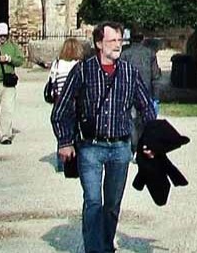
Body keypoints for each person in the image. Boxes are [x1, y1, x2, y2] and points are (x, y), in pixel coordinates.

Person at [51, 21, 158, 253]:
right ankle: (94, 249)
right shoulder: (83, 71)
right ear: (99, 43)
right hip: (91, 147)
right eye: (112, 41)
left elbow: (146, 108)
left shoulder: (129, 73)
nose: (117, 45)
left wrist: (151, 141)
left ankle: (106, 245)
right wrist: (65, 141)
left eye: (120, 41)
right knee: (93, 202)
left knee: (111, 205)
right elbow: (62, 108)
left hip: (120, 148)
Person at [120, 31, 163, 148]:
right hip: (147, 91)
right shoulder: (150, 53)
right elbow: (155, 76)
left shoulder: (125, 54)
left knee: (133, 120)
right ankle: (143, 145)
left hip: (130, 93)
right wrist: (156, 96)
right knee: (146, 121)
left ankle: (134, 146)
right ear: (142, 39)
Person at [48, 37, 85, 103]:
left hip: (59, 100)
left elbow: (51, 81)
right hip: (75, 101)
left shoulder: (57, 64)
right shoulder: (80, 65)